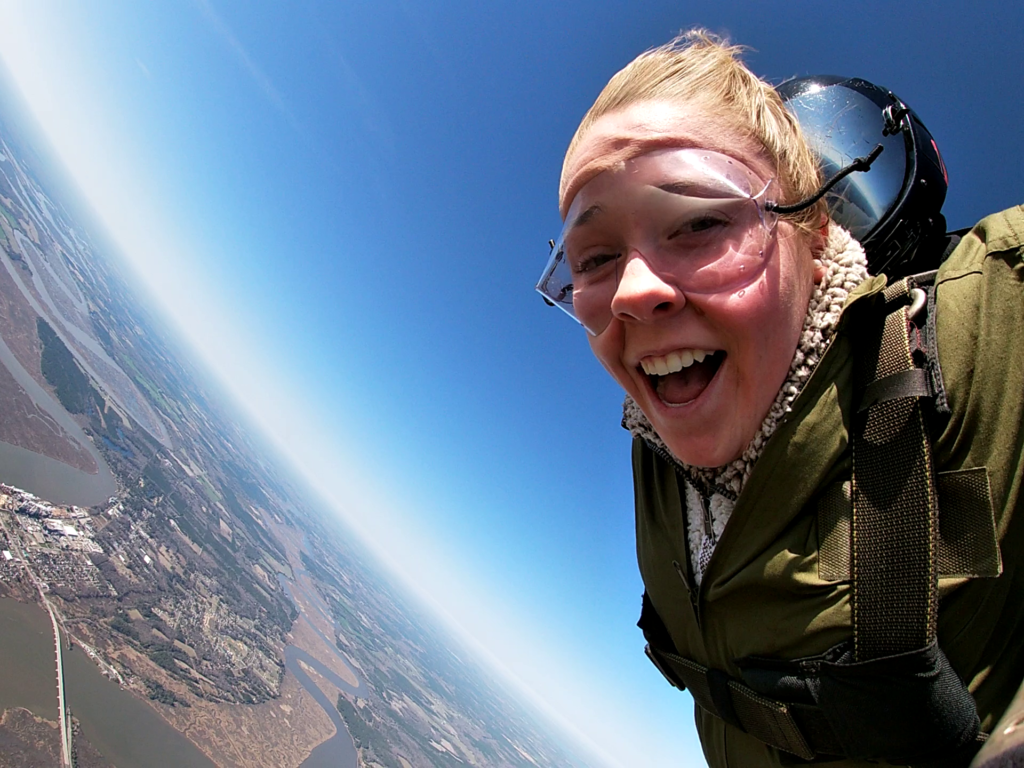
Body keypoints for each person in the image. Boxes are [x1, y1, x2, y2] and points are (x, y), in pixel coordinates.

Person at [536, 30, 1024, 768]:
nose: (633, 292)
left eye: (699, 221)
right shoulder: (660, 446)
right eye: (595, 258)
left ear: (815, 233)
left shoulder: (978, 331)